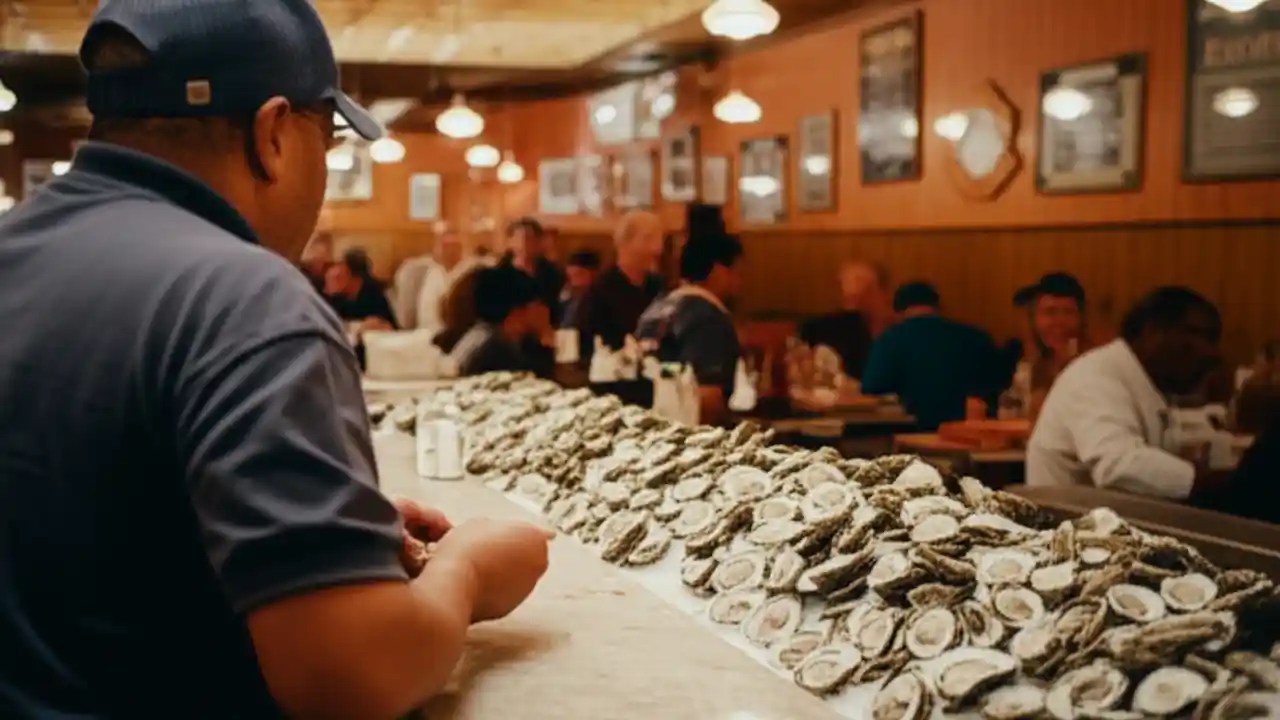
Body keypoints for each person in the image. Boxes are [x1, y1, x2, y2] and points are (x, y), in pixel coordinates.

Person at [0, 3, 551, 717]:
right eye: (327, 139)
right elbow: (353, 679)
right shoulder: (247, 298)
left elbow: (71, 517)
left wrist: (303, 534)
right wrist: (470, 568)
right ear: (274, 135)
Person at [1027, 287, 1230, 502]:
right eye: (1197, 335)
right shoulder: (1096, 376)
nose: (1210, 352)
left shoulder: (1136, 378)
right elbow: (1116, 464)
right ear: (1152, 333)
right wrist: (1210, 483)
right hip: (1065, 527)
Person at [861, 282, 1005, 430]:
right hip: (971, 433)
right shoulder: (977, 337)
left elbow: (871, 388)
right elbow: (998, 386)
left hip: (913, 432)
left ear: (897, 310)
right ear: (937, 306)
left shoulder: (890, 340)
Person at [637, 232, 744, 425]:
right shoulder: (707, 317)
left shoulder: (655, 308)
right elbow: (706, 399)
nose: (739, 282)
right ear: (718, 271)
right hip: (685, 440)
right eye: (737, 272)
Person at [579, 210, 666, 361]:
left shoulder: (659, 287)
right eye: (648, 239)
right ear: (624, 242)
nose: (657, 248)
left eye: (660, 240)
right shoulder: (600, 291)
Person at [1013, 272, 1092, 420]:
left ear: (1082, 319)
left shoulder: (1094, 367)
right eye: (1050, 312)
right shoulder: (1025, 364)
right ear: (1034, 319)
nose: (1059, 322)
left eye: (1068, 312)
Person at [450, 266, 555, 377]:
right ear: (517, 312)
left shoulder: (482, 333)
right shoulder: (496, 350)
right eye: (539, 304)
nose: (546, 310)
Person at [799, 259, 894, 378]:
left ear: (882, 292)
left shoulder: (903, 329)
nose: (853, 290)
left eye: (861, 283)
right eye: (847, 283)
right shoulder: (822, 328)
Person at [413, 229, 479, 334]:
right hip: (429, 332)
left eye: (455, 246)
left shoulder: (471, 273)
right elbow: (425, 310)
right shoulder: (433, 273)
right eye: (446, 246)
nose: (450, 251)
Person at [502, 216, 566, 323]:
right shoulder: (499, 275)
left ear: (538, 242)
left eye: (530, 238)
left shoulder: (552, 274)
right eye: (518, 238)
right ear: (510, 242)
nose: (524, 243)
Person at [324, 247, 399, 330]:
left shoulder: (374, 294)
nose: (332, 272)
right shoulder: (337, 296)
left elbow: (388, 327)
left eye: (338, 266)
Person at [559, 249, 602, 332]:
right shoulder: (567, 298)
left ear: (594, 274)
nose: (574, 282)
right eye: (570, 277)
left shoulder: (599, 300)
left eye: (578, 275)